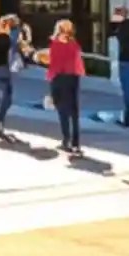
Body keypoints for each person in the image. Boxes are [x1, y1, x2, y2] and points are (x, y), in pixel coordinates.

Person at [46, 19, 86, 156]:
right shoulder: (74, 44)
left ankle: (66, 140)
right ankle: (76, 143)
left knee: (62, 111)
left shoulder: (56, 44)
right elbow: (78, 63)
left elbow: (54, 65)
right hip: (73, 78)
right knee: (74, 112)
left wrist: (50, 81)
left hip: (59, 78)